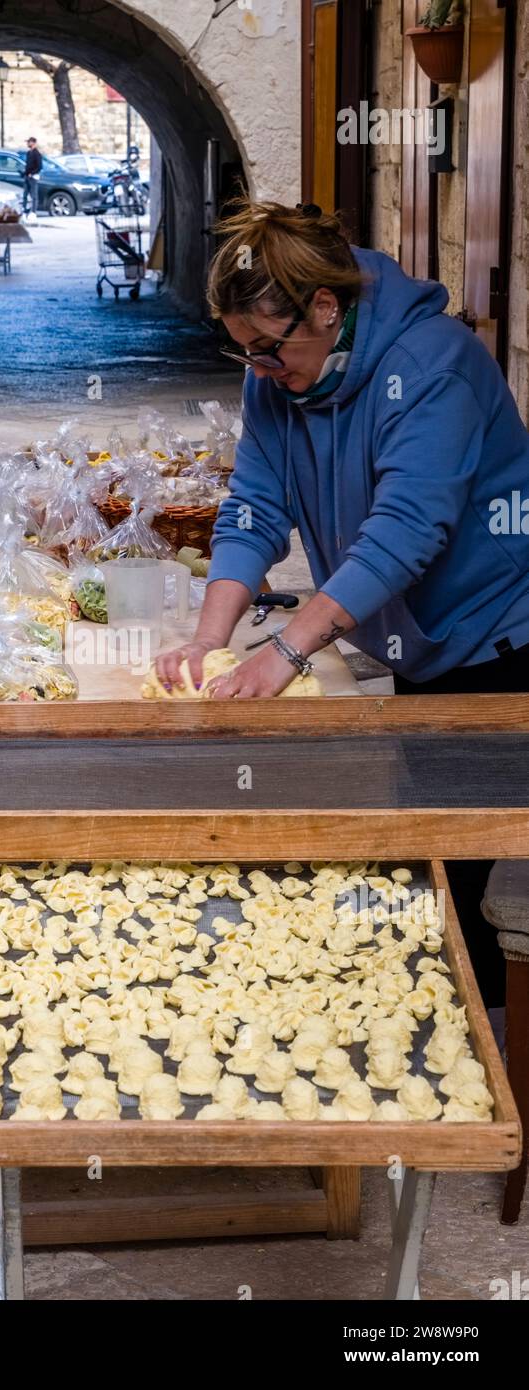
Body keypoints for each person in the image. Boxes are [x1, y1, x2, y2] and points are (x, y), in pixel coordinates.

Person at [156, 199, 529, 1005]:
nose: (258, 367)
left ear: (325, 308)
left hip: (497, 636)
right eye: (243, 350)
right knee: (427, 840)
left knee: (463, 853)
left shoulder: (435, 367)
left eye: (268, 346)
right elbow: (255, 505)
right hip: (411, 639)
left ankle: (478, 1045)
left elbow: (405, 532)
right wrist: (208, 640)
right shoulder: (278, 378)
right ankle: (447, 1001)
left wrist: (289, 648)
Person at [23, 136, 42, 223]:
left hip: (33, 177)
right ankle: (25, 211)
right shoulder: (28, 153)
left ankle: (33, 212)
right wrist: (25, 173)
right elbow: (28, 165)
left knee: (34, 195)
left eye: (29, 142)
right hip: (27, 176)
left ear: (33, 143)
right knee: (25, 195)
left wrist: (32, 173)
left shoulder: (37, 154)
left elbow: (39, 167)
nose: (27, 144)